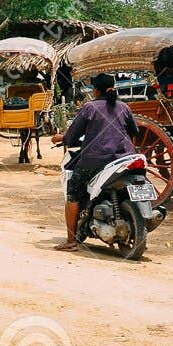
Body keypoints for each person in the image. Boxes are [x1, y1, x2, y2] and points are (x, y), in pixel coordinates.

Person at [52, 73, 140, 252]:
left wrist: (61, 137)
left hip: (95, 160)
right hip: (126, 157)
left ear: (95, 89)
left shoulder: (89, 108)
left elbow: (71, 137)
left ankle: (71, 241)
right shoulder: (124, 107)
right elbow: (134, 131)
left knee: (73, 193)